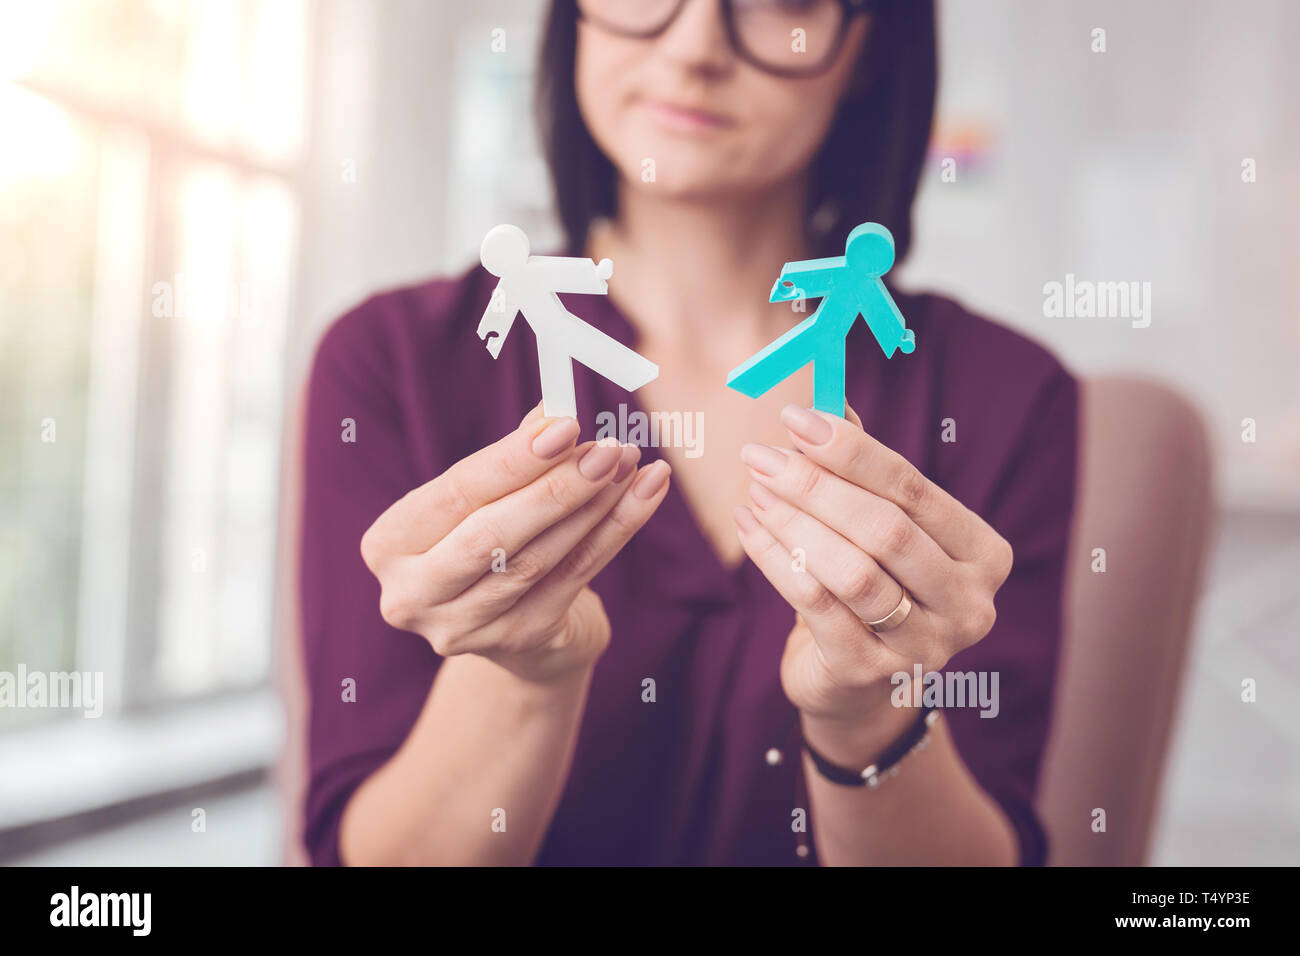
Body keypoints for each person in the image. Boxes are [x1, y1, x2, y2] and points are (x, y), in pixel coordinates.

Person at [299, 0, 1078, 866]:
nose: (696, 45)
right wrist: (527, 672)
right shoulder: (391, 363)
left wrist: (869, 713)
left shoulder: (1008, 397)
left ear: (867, 46)